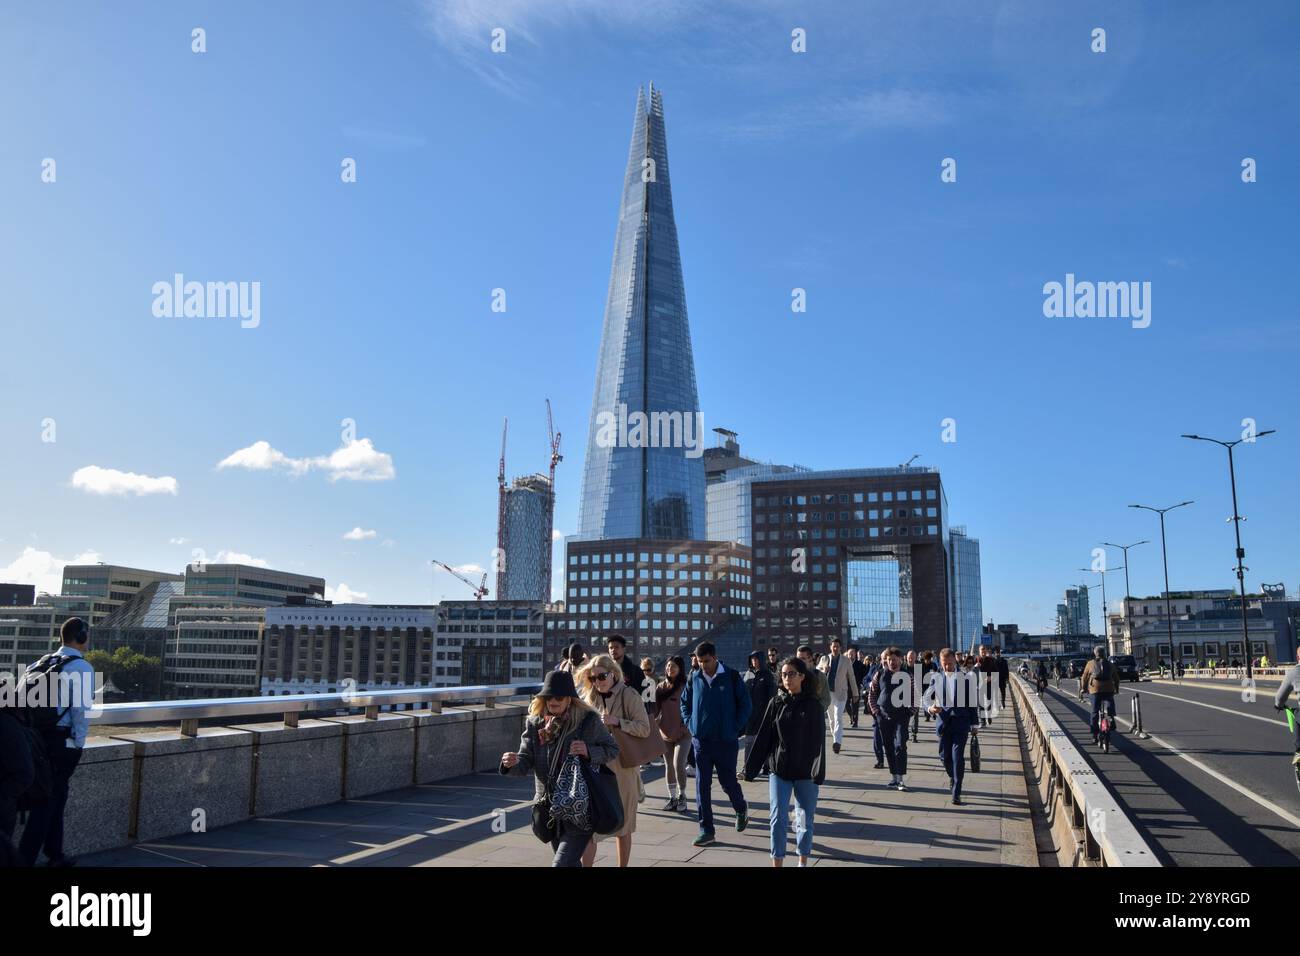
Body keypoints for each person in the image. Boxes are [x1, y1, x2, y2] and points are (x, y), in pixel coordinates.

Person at [500, 670, 620, 867]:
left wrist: (588, 751)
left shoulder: (587, 721)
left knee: (561, 864)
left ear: (570, 699)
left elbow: (613, 749)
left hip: (580, 805)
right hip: (550, 808)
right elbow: (525, 761)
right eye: (548, 697)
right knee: (569, 863)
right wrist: (510, 764)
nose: (553, 701)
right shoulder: (535, 723)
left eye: (559, 697)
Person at [18, 617, 96, 867]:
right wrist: (79, 744)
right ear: (81, 637)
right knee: (47, 801)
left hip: (32, 740)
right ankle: (24, 860)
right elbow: (81, 712)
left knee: (55, 796)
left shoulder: (38, 663)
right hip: (61, 743)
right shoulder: (81, 667)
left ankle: (55, 854)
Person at [743, 656, 825, 868]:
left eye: (792, 674)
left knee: (804, 819)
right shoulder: (776, 702)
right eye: (784, 674)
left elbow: (818, 741)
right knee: (777, 819)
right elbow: (764, 738)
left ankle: (802, 861)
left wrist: (818, 770)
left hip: (806, 771)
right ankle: (777, 864)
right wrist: (750, 770)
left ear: (802, 677)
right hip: (779, 769)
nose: (787, 678)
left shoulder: (813, 705)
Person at [576, 654, 650, 867]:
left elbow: (644, 728)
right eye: (593, 678)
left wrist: (617, 721)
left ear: (613, 674)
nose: (597, 681)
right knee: (589, 828)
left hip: (623, 770)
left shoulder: (629, 695)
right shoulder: (590, 698)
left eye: (602, 676)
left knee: (623, 827)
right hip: (596, 770)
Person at [679, 641, 751, 847]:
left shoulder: (732, 676)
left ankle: (740, 808)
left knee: (728, 783)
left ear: (715, 657)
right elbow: (684, 703)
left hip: (726, 741)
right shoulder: (695, 677)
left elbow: (746, 705)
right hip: (701, 741)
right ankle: (706, 830)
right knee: (702, 786)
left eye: (706, 661)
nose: (702, 665)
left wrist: (734, 727)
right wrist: (691, 724)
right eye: (699, 661)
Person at [927, 647, 978, 805]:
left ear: (955, 661)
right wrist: (930, 708)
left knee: (957, 758)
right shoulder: (936, 677)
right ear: (940, 662)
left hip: (961, 723)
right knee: (944, 757)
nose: (947, 667)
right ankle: (952, 776)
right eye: (944, 664)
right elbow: (927, 697)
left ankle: (957, 791)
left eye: (949, 664)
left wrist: (975, 724)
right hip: (943, 723)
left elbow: (972, 702)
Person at [869, 647, 914, 790]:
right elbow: (872, 694)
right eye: (889, 660)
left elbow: (915, 695)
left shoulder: (907, 675)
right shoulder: (880, 674)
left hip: (902, 716)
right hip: (883, 716)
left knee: (900, 745)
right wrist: (876, 711)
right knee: (888, 746)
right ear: (886, 661)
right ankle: (894, 777)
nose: (892, 663)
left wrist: (910, 711)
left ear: (900, 660)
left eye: (895, 660)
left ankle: (901, 779)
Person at [656, 656, 691, 811]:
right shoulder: (660, 687)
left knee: (678, 764)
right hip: (665, 733)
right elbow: (655, 712)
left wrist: (684, 728)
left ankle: (682, 795)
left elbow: (692, 711)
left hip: (684, 733)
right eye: (668, 666)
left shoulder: (686, 686)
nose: (670, 668)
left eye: (674, 666)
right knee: (668, 765)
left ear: (680, 668)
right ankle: (672, 798)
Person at [817, 638, 858, 754]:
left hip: (841, 693)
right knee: (831, 720)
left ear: (840, 648)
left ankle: (837, 742)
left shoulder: (846, 660)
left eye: (837, 646)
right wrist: (823, 669)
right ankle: (835, 737)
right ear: (830, 647)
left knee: (838, 716)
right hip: (827, 693)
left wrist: (855, 693)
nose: (835, 648)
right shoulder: (824, 659)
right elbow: (816, 670)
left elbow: (851, 676)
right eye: (833, 646)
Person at [742, 651, 776, 772]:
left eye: (756, 659)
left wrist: (769, 713)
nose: (754, 661)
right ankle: (747, 767)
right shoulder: (748, 674)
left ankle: (766, 766)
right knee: (749, 741)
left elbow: (771, 696)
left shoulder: (768, 675)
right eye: (752, 659)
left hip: (764, 713)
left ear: (761, 660)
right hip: (750, 714)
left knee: (763, 741)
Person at [1077, 645, 1118, 745]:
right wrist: (1116, 689)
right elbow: (1116, 678)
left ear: (1095, 653)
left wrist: (1083, 688)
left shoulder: (1090, 664)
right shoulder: (1109, 664)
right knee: (1109, 702)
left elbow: (1084, 677)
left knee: (1095, 712)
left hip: (1095, 690)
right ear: (1104, 653)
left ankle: (1094, 735)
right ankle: (1111, 717)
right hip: (1108, 689)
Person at [1273, 646, 1300, 766]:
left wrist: (1279, 705)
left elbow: (1280, 697)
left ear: (1298, 657)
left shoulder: (1294, 673)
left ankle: (1299, 753)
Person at [796, 646, 832, 710]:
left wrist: (816, 710)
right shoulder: (791, 674)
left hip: (814, 715)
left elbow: (826, 699)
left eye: (803, 659)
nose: (799, 661)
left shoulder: (819, 676)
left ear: (810, 659)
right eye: (798, 659)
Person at [848, 649, 868, 729]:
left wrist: (861, 683)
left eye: (852, 654)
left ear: (855, 655)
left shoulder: (859, 664)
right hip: (846, 687)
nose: (851, 656)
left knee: (855, 705)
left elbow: (864, 674)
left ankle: (855, 722)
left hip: (856, 686)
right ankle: (851, 716)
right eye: (849, 654)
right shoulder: (845, 664)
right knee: (845, 703)